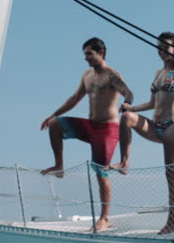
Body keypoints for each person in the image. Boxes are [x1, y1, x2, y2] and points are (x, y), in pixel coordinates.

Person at [109, 32, 174, 235]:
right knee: (127, 119)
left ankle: (171, 221)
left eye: (167, 47)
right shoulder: (158, 74)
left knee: (170, 174)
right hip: (157, 124)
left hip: (173, 127)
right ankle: (125, 162)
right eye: (159, 48)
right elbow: (152, 103)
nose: (163, 51)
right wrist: (130, 108)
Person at [40, 37, 133, 231]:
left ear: (101, 53)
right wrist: (53, 115)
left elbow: (128, 93)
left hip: (108, 130)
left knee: (101, 174)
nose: (86, 58)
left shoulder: (112, 75)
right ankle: (59, 165)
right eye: (85, 54)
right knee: (56, 124)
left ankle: (104, 218)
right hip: (90, 126)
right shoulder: (87, 75)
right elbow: (74, 99)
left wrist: (127, 104)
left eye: (89, 54)